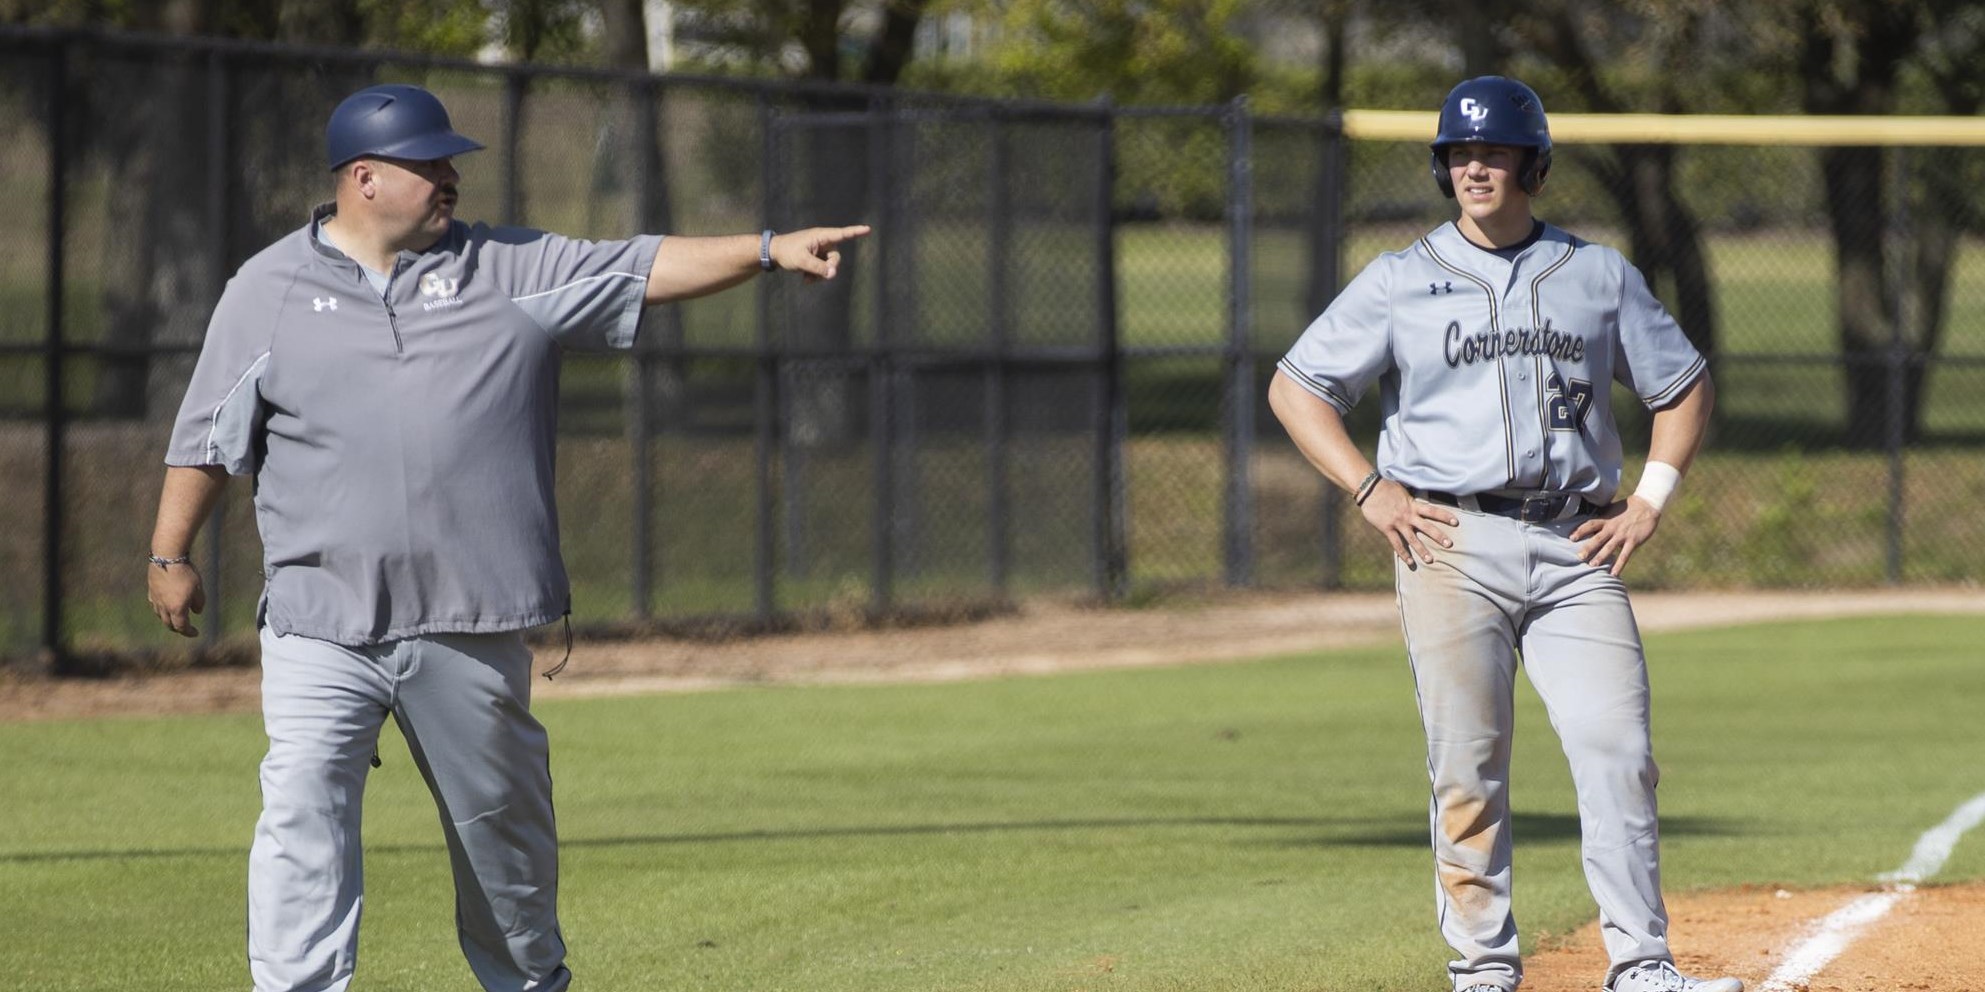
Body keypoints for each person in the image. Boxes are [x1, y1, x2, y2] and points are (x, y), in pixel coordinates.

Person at [144, 82, 869, 992]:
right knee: (302, 812)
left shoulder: (507, 269)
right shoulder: (267, 290)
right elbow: (208, 435)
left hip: (470, 619)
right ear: (364, 178)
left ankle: (528, 983)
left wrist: (768, 251)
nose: (451, 177)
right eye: (431, 163)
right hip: (319, 619)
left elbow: (639, 265)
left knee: (504, 846)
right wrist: (170, 553)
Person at [1267, 77, 1739, 992]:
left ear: (1533, 163)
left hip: (1575, 547)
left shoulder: (1596, 274)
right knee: (1468, 766)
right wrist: (1368, 488)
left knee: (1617, 751)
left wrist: (1647, 499)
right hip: (1451, 542)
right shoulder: (1401, 279)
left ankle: (1641, 967)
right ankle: (1482, 967)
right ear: (1442, 167)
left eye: (1492, 152)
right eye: (1457, 153)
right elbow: (1298, 388)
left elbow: (1680, 387)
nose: (1473, 166)